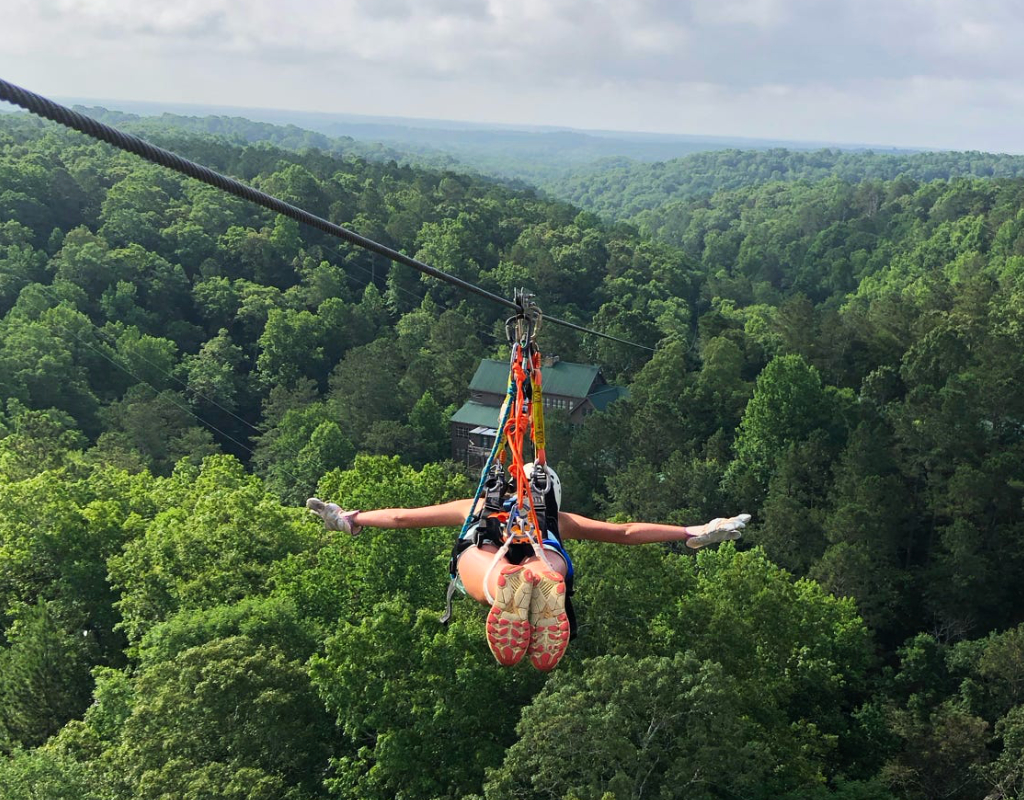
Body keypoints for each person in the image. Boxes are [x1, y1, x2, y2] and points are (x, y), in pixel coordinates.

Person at [306, 463, 749, 671]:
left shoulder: (478, 505)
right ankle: (540, 579)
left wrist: (350, 519)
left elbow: (403, 517)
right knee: (549, 558)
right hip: (545, 550)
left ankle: (507, 586)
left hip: (484, 559)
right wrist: (694, 530)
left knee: (477, 566)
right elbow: (625, 531)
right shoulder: (556, 519)